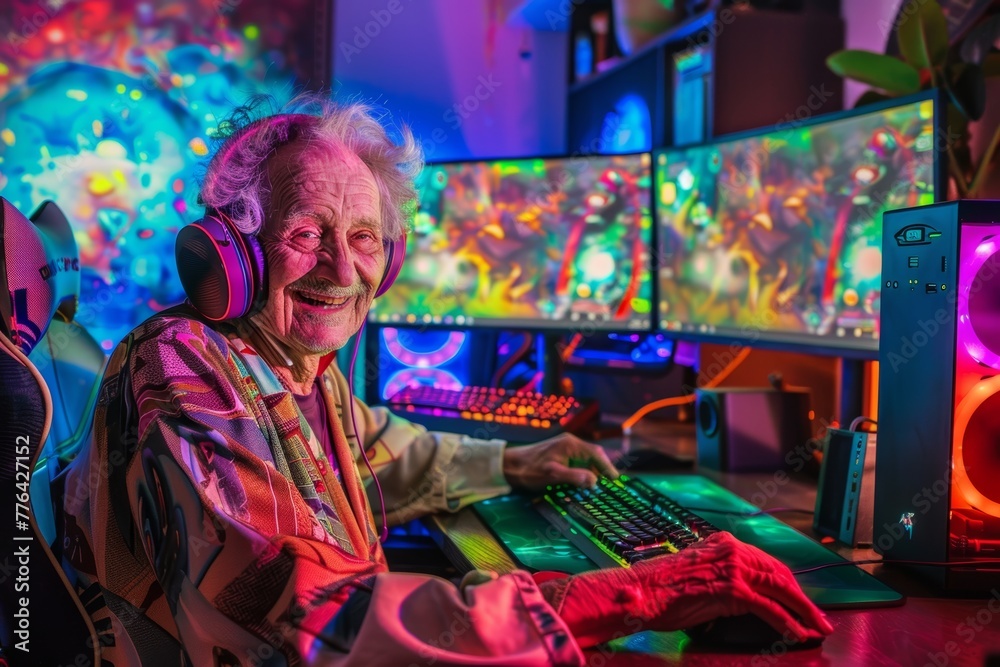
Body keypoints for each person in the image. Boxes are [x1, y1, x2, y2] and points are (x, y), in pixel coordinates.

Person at [62, 97, 833, 666]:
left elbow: (378, 449)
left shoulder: (294, 366)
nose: (342, 268)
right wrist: (634, 590)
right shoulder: (184, 366)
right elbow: (307, 616)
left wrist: (510, 462)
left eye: (363, 238)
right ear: (233, 253)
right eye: (305, 235)